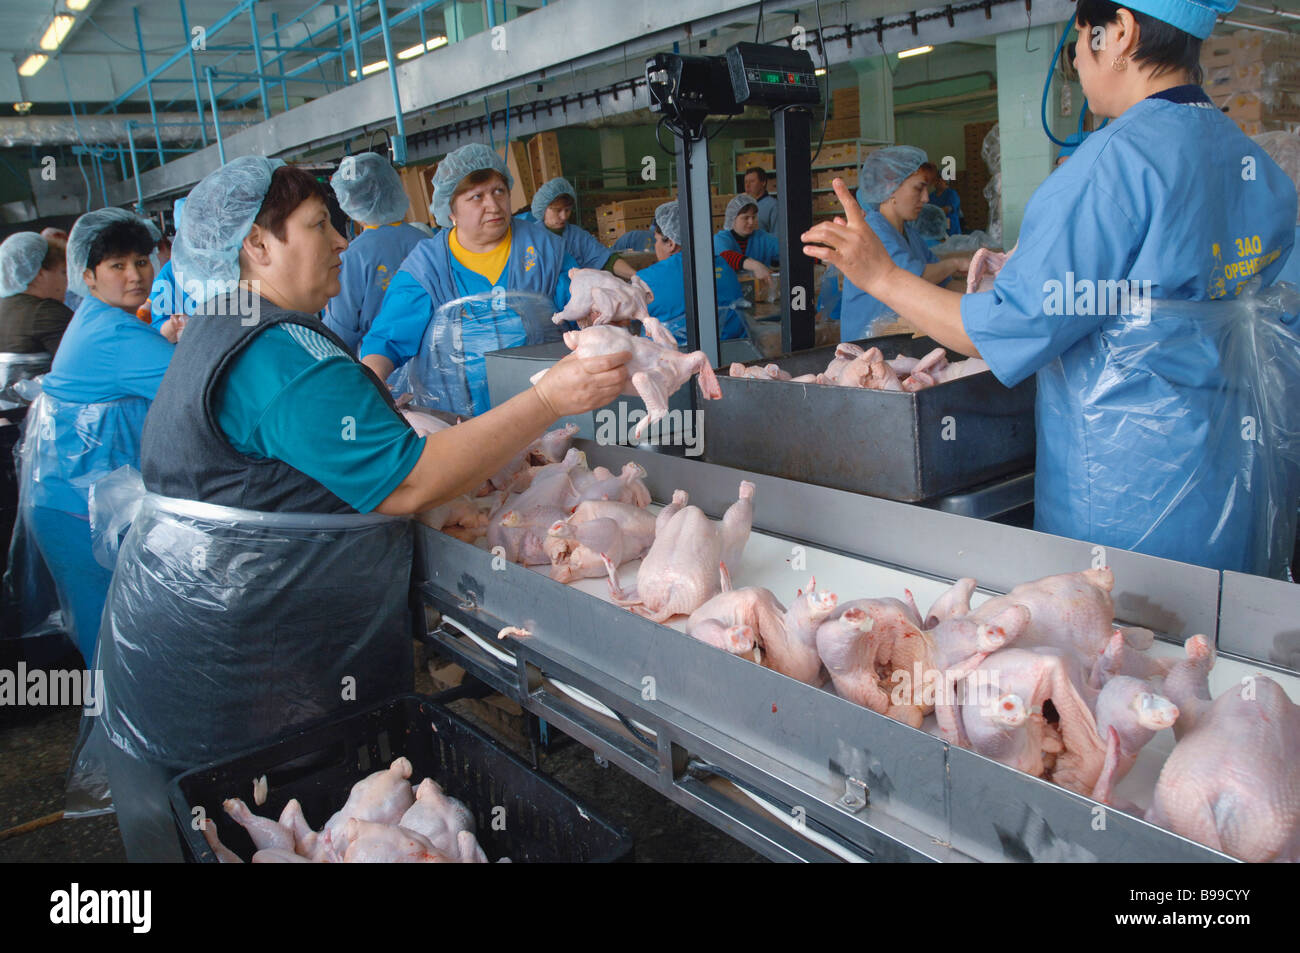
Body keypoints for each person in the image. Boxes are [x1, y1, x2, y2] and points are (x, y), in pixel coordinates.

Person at [87, 155, 628, 861]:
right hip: (238, 675)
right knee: (273, 832)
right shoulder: (276, 355)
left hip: (194, 649)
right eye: (318, 226)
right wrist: (551, 398)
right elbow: (409, 481)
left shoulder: (230, 322)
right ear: (256, 244)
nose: (344, 242)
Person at [804, 0, 1296, 573]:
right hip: (1236, 482)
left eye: (1079, 44)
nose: (1078, 69)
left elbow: (1000, 331)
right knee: (1220, 651)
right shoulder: (1253, 164)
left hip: (1127, 501)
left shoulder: (1110, 166)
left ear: (1119, 33)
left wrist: (878, 274)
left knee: (1119, 650)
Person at [13, 209, 173, 664]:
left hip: (72, 501)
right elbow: (197, 384)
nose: (135, 275)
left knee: (110, 636)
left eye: (142, 262)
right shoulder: (113, 332)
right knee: (113, 647)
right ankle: (109, 733)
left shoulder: (98, 318)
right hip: (80, 513)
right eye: (117, 266)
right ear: (87, 275)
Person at [359, 143, 579, 415]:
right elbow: (387, 339)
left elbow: (581, 311)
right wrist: (372, 383)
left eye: (499, 191)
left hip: (545, 415)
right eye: (476, 197)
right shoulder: (429, 267)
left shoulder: (544, 250)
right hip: (461, 426)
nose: (493, 205)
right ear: (450, 210)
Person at [838, 146, 971, 341]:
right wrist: (955, 264)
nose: (926, 198)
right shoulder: (874, 232)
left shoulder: (909, 234)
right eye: (919, 188)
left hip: (900, 339)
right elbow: (914, 280)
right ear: (890, 188)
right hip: (869, 346)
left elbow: (944, 283)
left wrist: (984, 295)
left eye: (927, 189)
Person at [323, 152, 427, 353]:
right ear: (394, 188)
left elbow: (338, 338)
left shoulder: (351, 258)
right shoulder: (427, 242)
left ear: (350, 203)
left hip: (382, 373)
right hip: (433, 366)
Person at [637, 200, 746, 347]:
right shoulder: (724, 267)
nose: (655, 246)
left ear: (670, 243)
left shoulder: (646, 280)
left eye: (656, 240)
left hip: (670, 364)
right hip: (732, 358)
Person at [526, 177, 641, 281]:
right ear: (544, 208)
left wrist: (637, 277)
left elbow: (605, 259)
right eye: (558, 210)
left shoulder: (577, 236)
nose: (564, 216)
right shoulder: (530, 237)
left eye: (567, 210)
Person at [0, 232, 74, 357]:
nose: (67, 282)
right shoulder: (47, 312)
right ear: (39, 273)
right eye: (63, 272)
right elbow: (85, 364)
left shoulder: (5, 307)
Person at [713, 194, 780, 270]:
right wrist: (755, 266)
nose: (751, 222)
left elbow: (784, 250)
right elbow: (725, 256)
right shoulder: (720, 239)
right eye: (746, 218)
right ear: (733, 218)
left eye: (753, 217)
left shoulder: (762, 238)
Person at [920, 162, 963, 236]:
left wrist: (934, 213)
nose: (937, 182)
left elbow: (948, 209)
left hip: (952, 231)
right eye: (936, 180)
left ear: (945, 181)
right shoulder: (931, 196)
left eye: (940, 180)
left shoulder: (951, 194)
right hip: (937, 230)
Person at [742, 166, 780, 235]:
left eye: (752, 181)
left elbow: (777, 237)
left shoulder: (773, 206)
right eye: (746, 182)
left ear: (763, 183)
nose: (747, 185)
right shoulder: (742, 206)